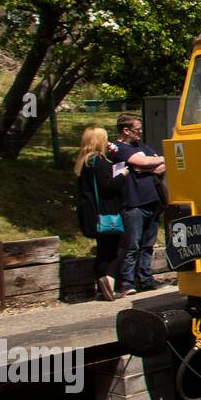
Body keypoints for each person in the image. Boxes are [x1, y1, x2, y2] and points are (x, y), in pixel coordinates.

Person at [107, 113, 167, 296]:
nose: (139, 133)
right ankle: (127, 283)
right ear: (125, 130)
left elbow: (159, 165)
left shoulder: (140, 145)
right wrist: (147, 163)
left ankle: (145, 279)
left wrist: (146, 165)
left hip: (151, 200)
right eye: (136, 130)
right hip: (133, 202)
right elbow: (145, 161)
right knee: (131, 245)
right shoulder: (118, 148)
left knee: (148, 244)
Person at [74, 126, 126, 300]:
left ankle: (101, 286)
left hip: (90, 212)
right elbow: (108, 186)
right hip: (105, 212)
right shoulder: (99, 161)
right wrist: (123, 174)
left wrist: (112, 154)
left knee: (102, 249)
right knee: (115, 249)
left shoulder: (84, 161)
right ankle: (108, 281)